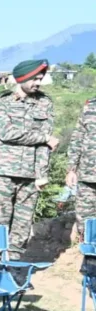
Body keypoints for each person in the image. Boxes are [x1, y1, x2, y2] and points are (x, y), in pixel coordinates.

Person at [0, 59, 57, 260]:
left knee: (22, 225)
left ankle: (13, 267)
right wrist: (43, 137)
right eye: (35, 78)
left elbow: (46, 145)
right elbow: (6, 132)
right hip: (3, 172)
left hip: (30, 174)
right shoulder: (1, 101)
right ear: (23, 78)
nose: (39, 83)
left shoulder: (45, 102)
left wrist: (42, 174)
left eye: (41, 78)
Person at [66, 97, 96, 239]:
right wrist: (71, 169)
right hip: (87, 174)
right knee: (85, 220)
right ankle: (88, 253)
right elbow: (77, 139)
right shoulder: (90, 106)